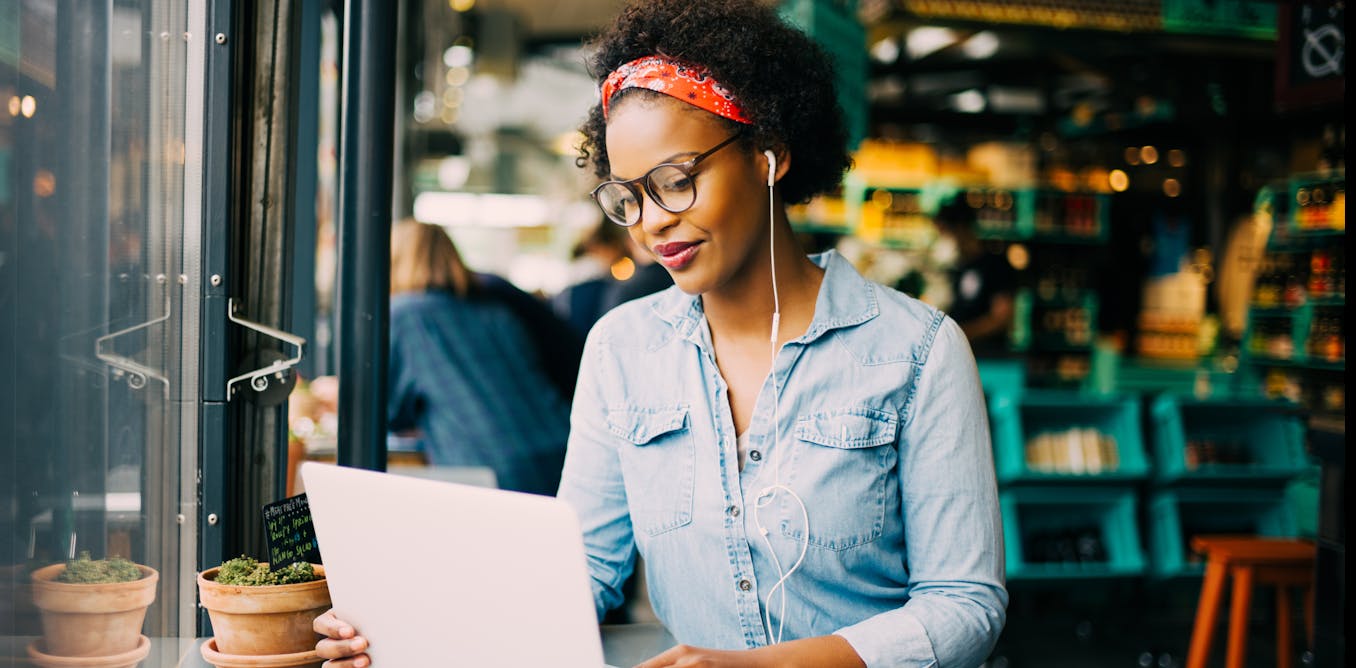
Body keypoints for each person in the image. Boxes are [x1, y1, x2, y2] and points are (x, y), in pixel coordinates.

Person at [316, 2, 1006, 666]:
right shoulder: (623, 350)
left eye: (677, 181)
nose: (651, 222)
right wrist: (404, 632)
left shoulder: (916, 352)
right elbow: (580, 571)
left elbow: (965, 606)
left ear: (768, 152)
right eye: (629, 197)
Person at [385, 220, 571, 496]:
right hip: (561, 454)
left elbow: (391, 414)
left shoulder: (405, 315)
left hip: (492, 473)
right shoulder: (496, 311)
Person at [934, 196, 1018, 357]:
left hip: (988, 357)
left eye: (944, 233)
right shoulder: (955, 268)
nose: (942, 241)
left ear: (960, 229)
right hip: (957, 353)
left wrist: (960, 333)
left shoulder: (995, 265)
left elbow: (1001, 318)